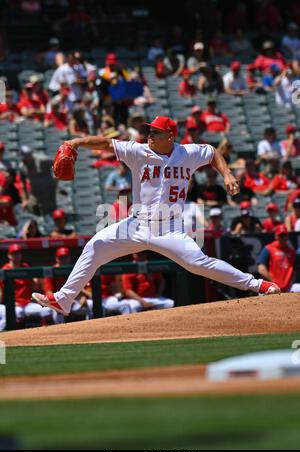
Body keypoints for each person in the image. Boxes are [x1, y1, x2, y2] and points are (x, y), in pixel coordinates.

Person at [32, 115, 281, 316]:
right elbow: (106, 144)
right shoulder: (138, 151)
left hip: (169, 228)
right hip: (136, 225)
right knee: (95, 246)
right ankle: (63, 300)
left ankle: (258, 285)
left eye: (155, 132)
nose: (149, 135)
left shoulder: (188, 153)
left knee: (199, 264)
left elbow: (213, 152)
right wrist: (75, 143)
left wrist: (226, 173)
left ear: (170, 136)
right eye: (149, 131)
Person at [0, 244, 55, 328]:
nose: (16, 255)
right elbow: (1, 291)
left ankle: (45, 335)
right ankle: (16, 335)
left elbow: (34, 286)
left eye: (18, 253)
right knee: (17, 313)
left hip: (27, 304)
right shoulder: (5, 269)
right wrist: (8, 304)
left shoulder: (25, 267)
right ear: (9, 255)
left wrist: (38, 282)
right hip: (13, 305)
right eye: (14, 253)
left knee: (48, 310)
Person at [44, 247, 93, 321]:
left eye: (65, 257)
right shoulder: (52, 271)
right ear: (57, 259)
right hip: (59, 301)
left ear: (69, 258)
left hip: (76, 301)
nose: (63, 260)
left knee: (91, 304)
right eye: (61, 257)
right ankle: (59, 329)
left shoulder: (76, 270)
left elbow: (89, 292)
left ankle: (92, 327)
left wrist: (84, 296)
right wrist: (60, 300)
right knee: (55, 309)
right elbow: (48, 292)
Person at [257, 224, 300, 292]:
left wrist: (289, 284)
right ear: (276, 236)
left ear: (287, 236)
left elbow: (294, 271)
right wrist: (273, 283)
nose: (283, 238)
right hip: (271, 288)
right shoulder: (268, 248)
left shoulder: (292, 252)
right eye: (280, 236)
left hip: (287, 288)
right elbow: (261, 269)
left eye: (284, 235)